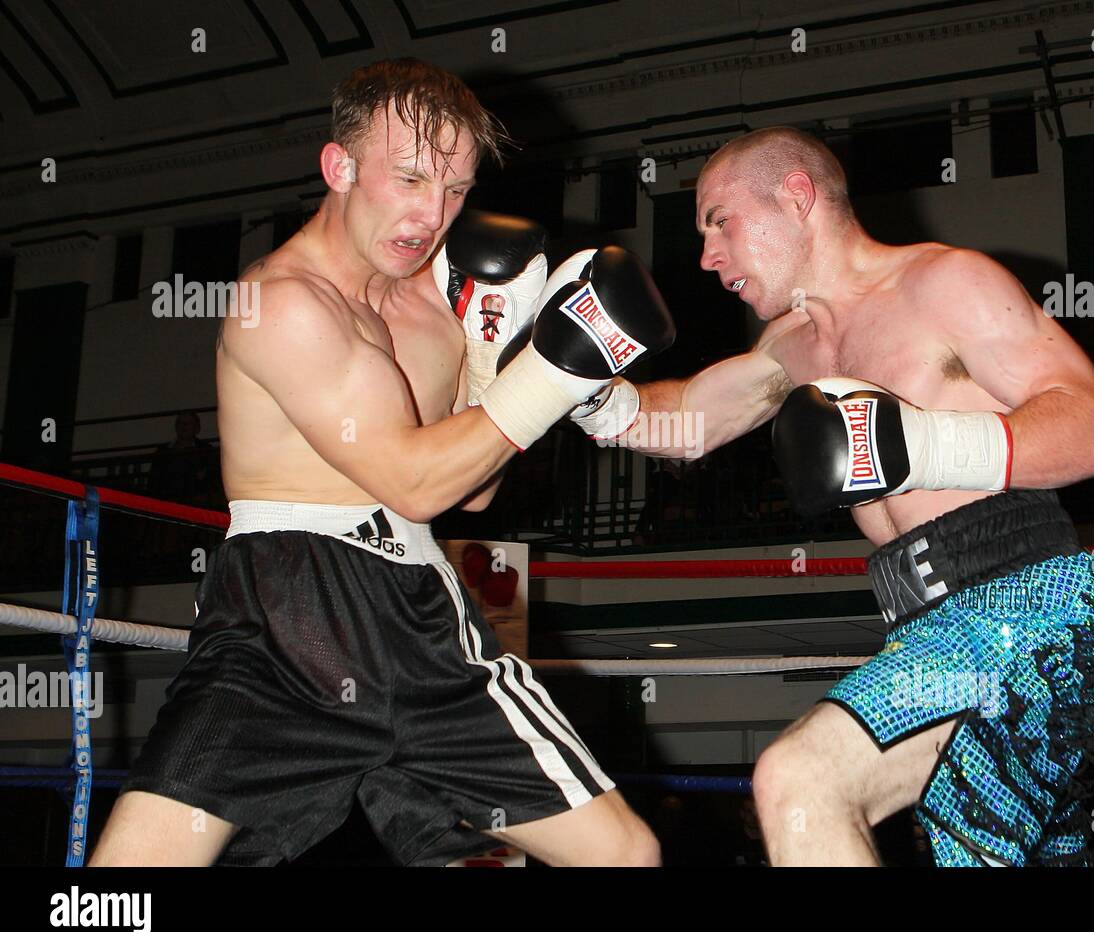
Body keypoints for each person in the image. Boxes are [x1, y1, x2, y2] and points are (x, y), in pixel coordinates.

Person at [90, 58, 673, 867]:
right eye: (408, 178)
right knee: (124, 887)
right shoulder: (281, 303)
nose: (431, 214)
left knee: (625, 855)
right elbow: (412, 476)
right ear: (339, 166)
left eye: (456, 190)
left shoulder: (433, 303)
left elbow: (470, 493)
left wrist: (483, 360)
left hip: (422, 610)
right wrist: (555, 369)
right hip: (286, 616)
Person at [592, 126, 1094, 866]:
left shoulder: (942, 283)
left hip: (1025, 607)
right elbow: (688, 419)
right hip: (924, 621)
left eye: (721, 222)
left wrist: (925, 445)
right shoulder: (791, 346)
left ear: (797, 197)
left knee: (803, 779)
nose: (708, 255)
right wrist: (562, 389)